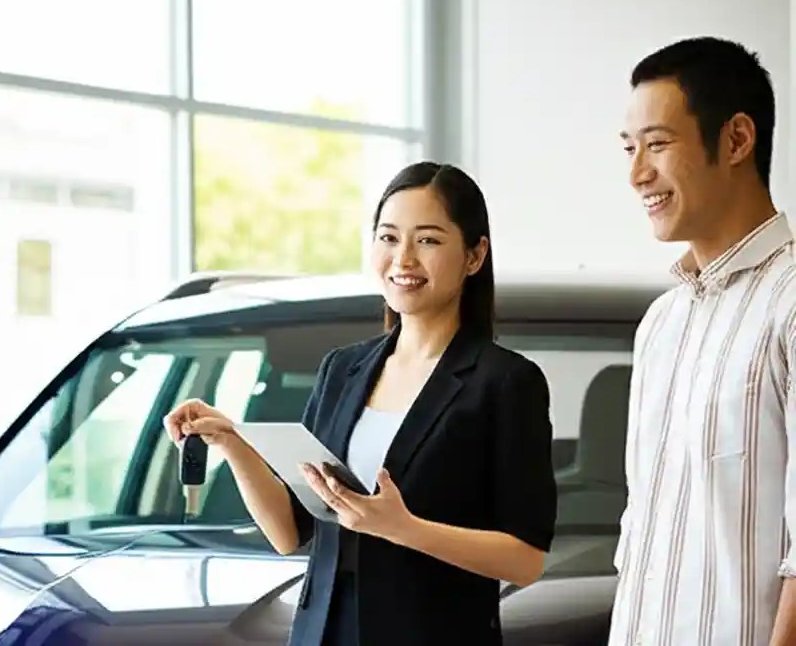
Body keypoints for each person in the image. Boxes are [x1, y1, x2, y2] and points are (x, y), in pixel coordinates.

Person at [163, 161, 558, 645]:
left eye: (428, 240)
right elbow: (290, 533)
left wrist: (404, 528)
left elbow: (526, 558)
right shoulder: (341, 370)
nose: (403, 259)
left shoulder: (506, 382)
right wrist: (232, 443)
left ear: (474, 256)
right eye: (388, 237)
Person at [611, 37, 796, 646]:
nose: (638, 173)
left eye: (658, 145)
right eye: (630, 148)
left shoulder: (789, 303)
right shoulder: (661, 324)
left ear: (737, 140)